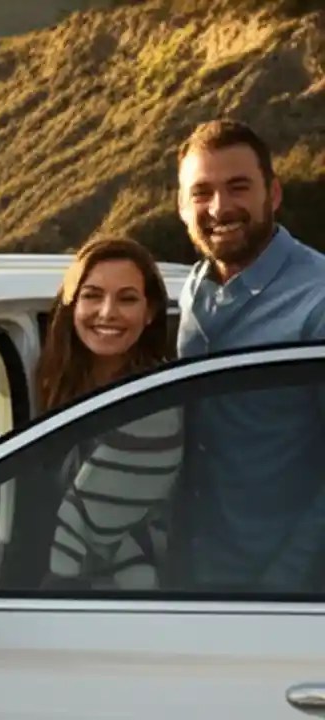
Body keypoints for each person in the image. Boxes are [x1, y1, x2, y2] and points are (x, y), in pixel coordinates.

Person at [173, 119, 325, 592]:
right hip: (186, 573)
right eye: (201, 193)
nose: (220, 207)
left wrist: (287, 580)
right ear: (182, 207)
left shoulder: (318, 301)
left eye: (238, 187)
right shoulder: (192, 291)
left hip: (282, 591)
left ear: (272, 194)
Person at [35, 235, 184, 589]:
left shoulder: (153, 409)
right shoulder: (53, 382)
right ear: (72, 303)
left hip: (117, 599)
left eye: (127, 299)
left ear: (150, 312)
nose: (107, 312)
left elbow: (78, 530)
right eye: (92, 295)